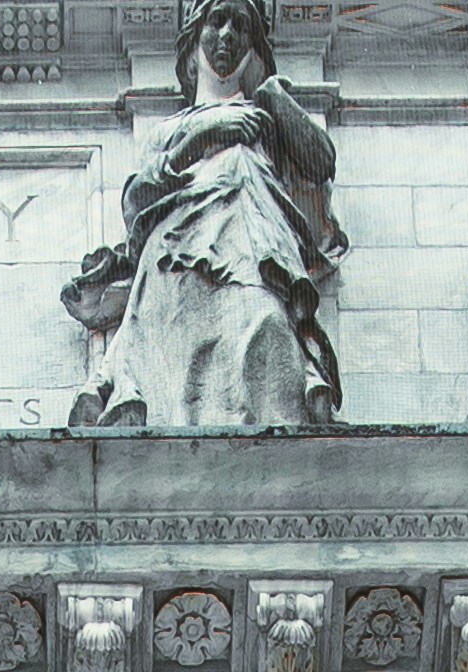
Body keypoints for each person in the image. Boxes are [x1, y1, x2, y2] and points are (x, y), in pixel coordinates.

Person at [63, 0, 340, 435]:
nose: (228, 35)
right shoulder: (170, 130)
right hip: (177, 259)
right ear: (194, 38)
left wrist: (268, 90)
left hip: (252, 254)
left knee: (266, 326)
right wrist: (205, 136)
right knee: (183, 368)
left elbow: (320, 161)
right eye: (217, 21)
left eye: (241, 26)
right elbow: (137, 201)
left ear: (253, 43)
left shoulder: (265, 118)